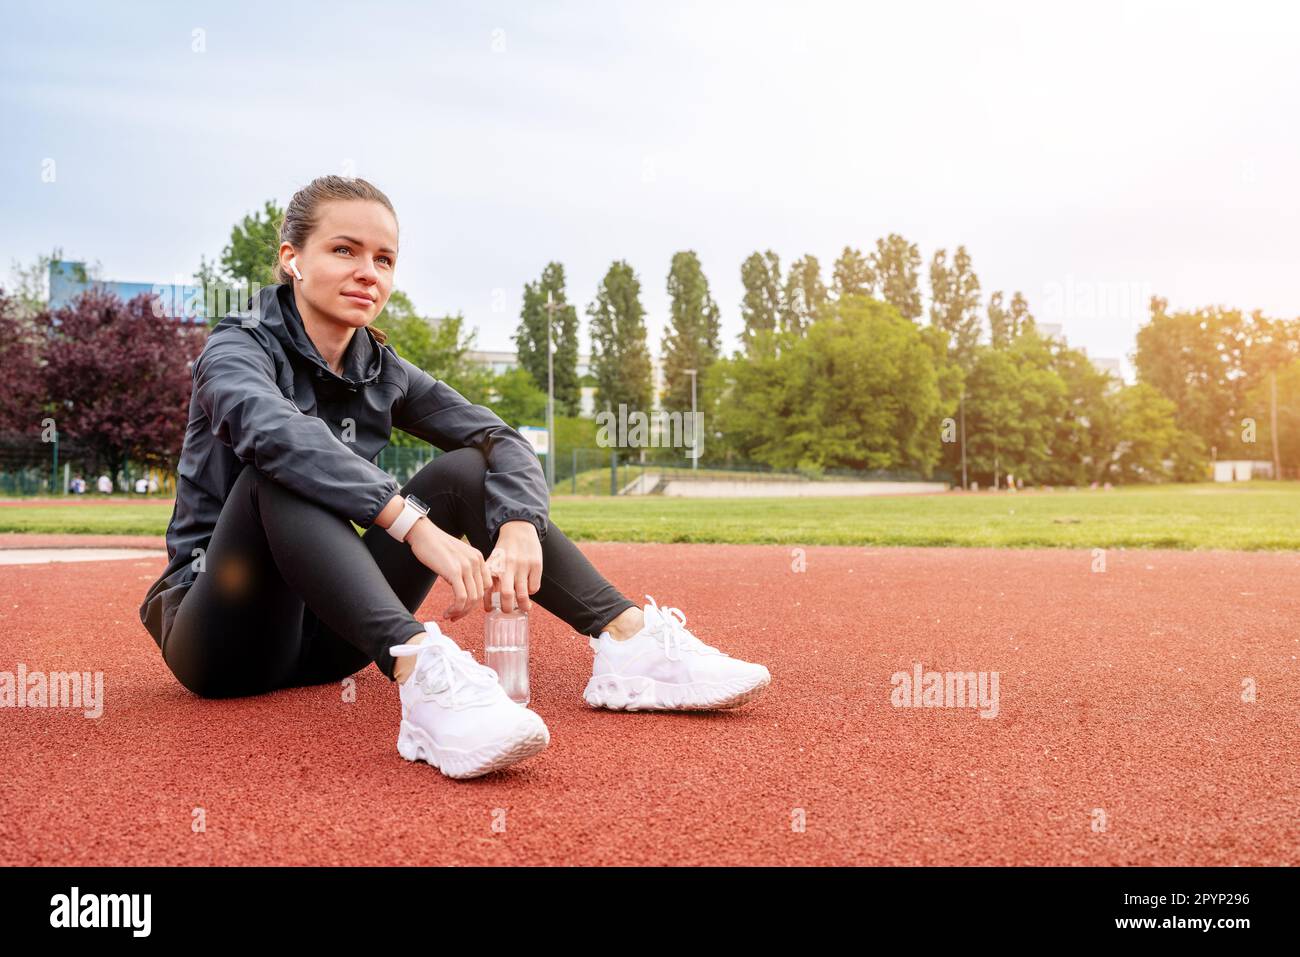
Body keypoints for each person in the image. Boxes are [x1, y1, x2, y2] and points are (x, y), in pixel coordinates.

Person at [139, 175, 771, 780]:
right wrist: (410, 524)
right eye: (343, 250)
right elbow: (275, 435)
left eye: (384, 259)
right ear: (292, 259)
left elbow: (500, 439)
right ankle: (423, 673)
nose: (368, 271)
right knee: (275, 475)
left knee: (467, 470)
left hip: (331, 641)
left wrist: (520, 521)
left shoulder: (381, 369)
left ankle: (628, 642)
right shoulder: (236, 349)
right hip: (221, 634)